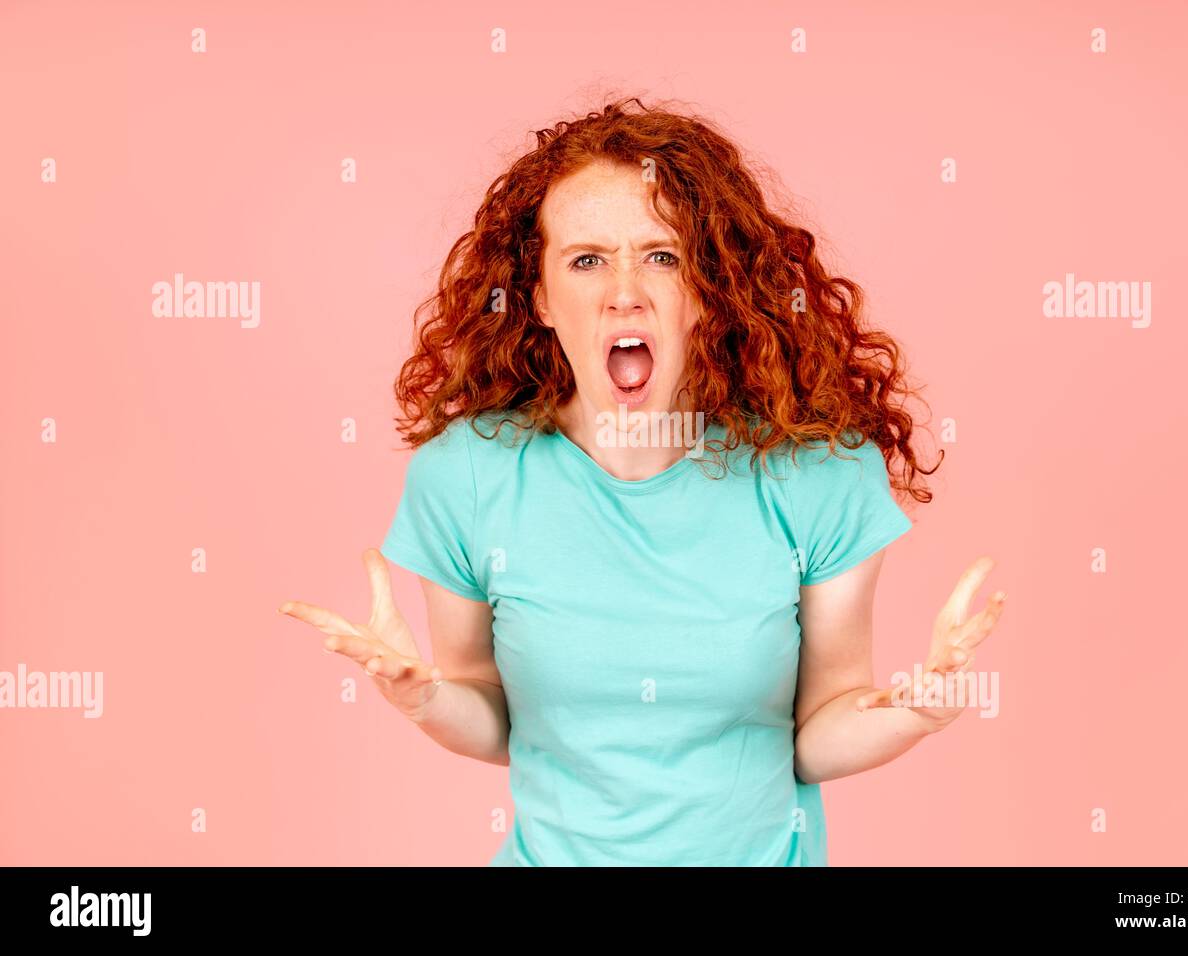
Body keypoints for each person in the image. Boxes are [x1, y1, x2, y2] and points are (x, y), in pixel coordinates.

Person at [279, 96, 1007, 866]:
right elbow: (496, 720)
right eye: (586, 259)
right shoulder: (464, 477)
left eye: (661, 255)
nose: (624, 290)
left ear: (707, 290)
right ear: (540, 299)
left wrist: (917, 712)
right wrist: (423, 699)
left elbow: (820, 728)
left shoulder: (816, 473)